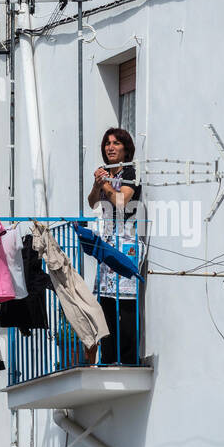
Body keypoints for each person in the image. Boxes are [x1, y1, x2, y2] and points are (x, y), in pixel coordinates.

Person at [86, 127, 142, 366]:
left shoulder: (131, 172)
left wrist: (106, 185)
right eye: (107, 143)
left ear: (125, 148)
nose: (110, 147)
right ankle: (108, 358)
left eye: (116, 143)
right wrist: (97, 184)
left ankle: (128, 359)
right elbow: (91, 203)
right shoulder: (105, 173)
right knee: (106, 303)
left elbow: (121, 201)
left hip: (126, 243)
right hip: (108, 242)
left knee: (126, 304)